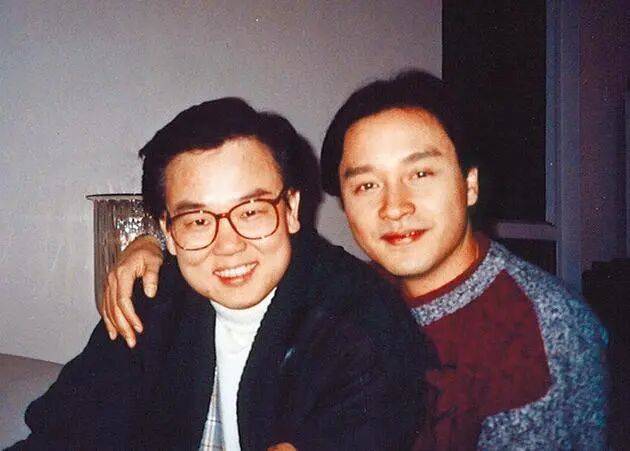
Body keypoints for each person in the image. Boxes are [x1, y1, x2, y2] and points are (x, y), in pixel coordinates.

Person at [102, 71, 609, 450]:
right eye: (366, 185)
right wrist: (152, 246)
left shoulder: (546, 332)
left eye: (421, 174)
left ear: (469, 184)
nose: (395, 206)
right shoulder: (352, 293)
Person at [11, 98, 429, 450]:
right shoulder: (151, 300)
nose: (227, 245)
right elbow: (59, 435)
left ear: (291, 209)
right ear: (168, 232)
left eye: (251, 211)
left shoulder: (360, 322)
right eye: (197, 220)